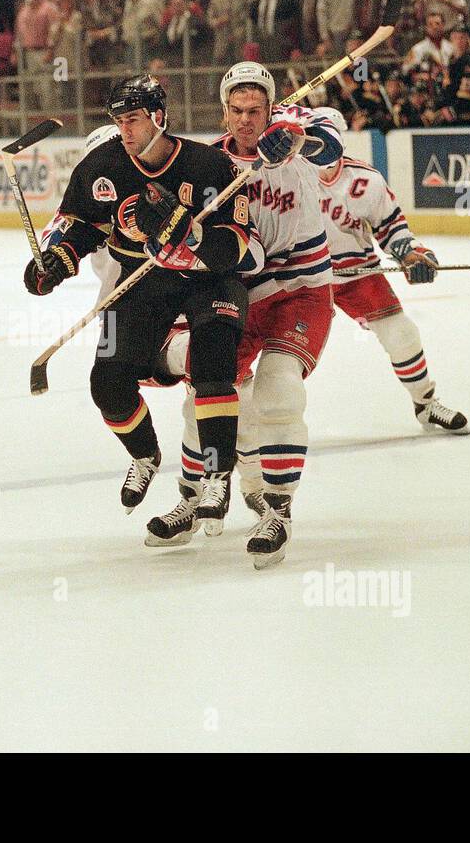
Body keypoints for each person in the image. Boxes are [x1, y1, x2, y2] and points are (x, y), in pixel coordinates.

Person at [23, 76, 257, 536]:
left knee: (212, 361)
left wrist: (187, 232)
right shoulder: (101, 166)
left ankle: (215, 473)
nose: (124, 129)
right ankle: (144, 455)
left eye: (132, 119)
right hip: (142, 280)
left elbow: (236, 248)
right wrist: (58, 262)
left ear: (158, 117)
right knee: (107, 381)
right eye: (118, 120)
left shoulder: (209, 165)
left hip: (205, 276)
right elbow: (84, 228)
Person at [147, 63, 343, 569]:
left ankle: (277, 511)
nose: (246, 120)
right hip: (242, 288)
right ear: (224, 110)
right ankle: (193, 497)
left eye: (256, 111)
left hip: (301, 288)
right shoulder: (211, 163)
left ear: (271, 106)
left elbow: (332, 141)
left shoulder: (295, 124)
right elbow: (225, 243)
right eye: (236, 111)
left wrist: (297, 140)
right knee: (206, 388)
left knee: (279, 389)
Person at [315, 107, 469, 437]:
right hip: (304, 276)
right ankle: (254, 424)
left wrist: (410, 252)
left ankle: (425, 404)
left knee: (402, 334)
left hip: (357, 274)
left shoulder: (365, 179)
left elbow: (391, 226)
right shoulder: (289, 177)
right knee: (281, 358)